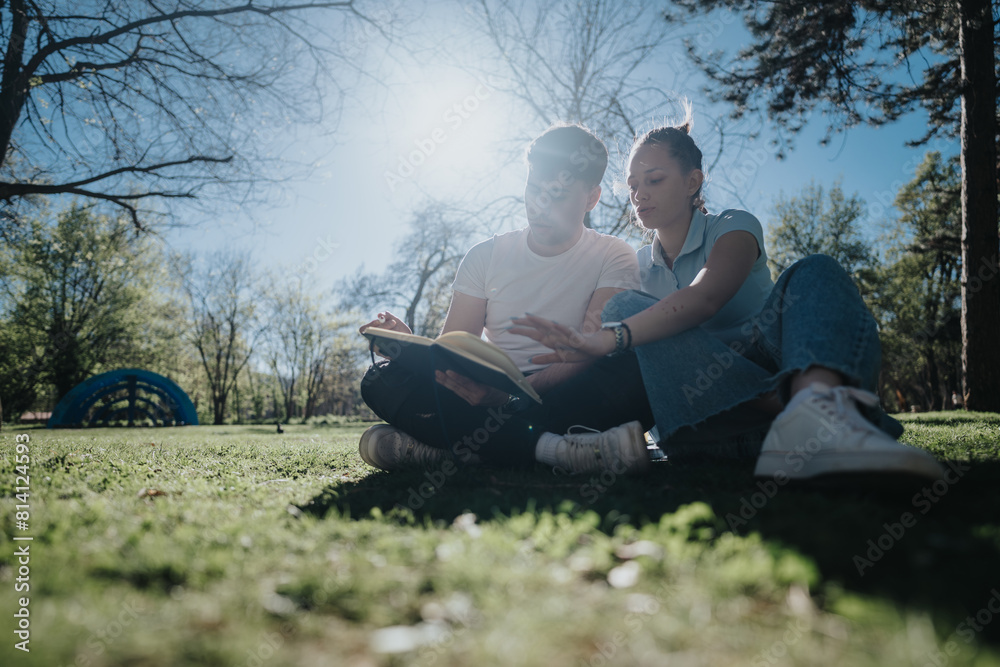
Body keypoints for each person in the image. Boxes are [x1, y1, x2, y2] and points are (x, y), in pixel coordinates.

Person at [511, 109, 944, 482]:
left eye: (655, 179)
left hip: (777, 407)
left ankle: (819, 414)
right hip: (708, 429)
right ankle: (795, 405)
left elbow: (705, 298)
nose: (639, 194)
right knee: (625, 306)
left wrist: (613, 337)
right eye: (632, 184)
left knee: (815, 268)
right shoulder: (635, 267)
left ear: (692, 181)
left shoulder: (734, 226)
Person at [357, 123, 655, 475]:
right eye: (534, 189)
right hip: (485, 388)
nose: (541, 205)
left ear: (592, 197)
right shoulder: (485, 255)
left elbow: (590, 351)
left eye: (557, 193)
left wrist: (511, 397)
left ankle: (448, 450)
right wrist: (412, 348)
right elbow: (453, 351)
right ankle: (557, 450)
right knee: (380, 381)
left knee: (637, 371)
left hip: (564, 386)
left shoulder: (613, 254)